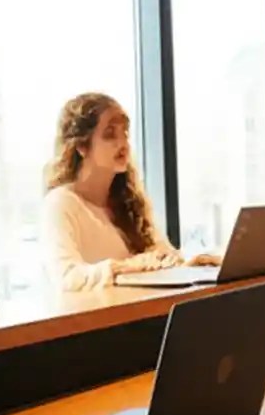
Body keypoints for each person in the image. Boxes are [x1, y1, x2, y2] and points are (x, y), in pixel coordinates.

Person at [40, 92, 219, 291]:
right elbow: (67, 278)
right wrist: (131, 266)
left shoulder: (129, 201)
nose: (123, 143)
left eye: (125, 133)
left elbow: (161, 256)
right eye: (110, 134)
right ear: (82, 146)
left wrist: (191, 263)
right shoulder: (60, 204)